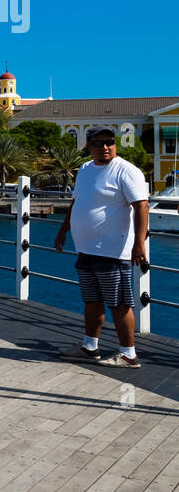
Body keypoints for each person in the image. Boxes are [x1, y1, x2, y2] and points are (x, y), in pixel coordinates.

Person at [54, 127, 150, 368]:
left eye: (109, 142)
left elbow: (142, 206)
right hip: (86, 248)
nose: (105, 147)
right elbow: (77, 201)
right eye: (99, 143)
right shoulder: (85, 169)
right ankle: (89, 346)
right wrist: (63, 229)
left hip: (112, 251)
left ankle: (128, 354)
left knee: (119, 302)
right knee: (92, 300)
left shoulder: (126, 171)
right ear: (89, 147)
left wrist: (139, 244)